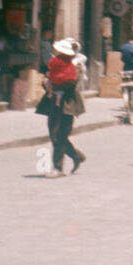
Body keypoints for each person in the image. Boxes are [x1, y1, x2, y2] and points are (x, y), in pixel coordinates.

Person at [41, 39, 86, 176]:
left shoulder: (76, 65)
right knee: (54, 133)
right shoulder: (56, 63)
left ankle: (58, 168)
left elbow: (71, 83)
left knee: (61, 134)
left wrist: (52, 85)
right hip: (53, 101)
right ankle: (76, 155)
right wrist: (46, 83)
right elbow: (47, 77)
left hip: (67, 103)